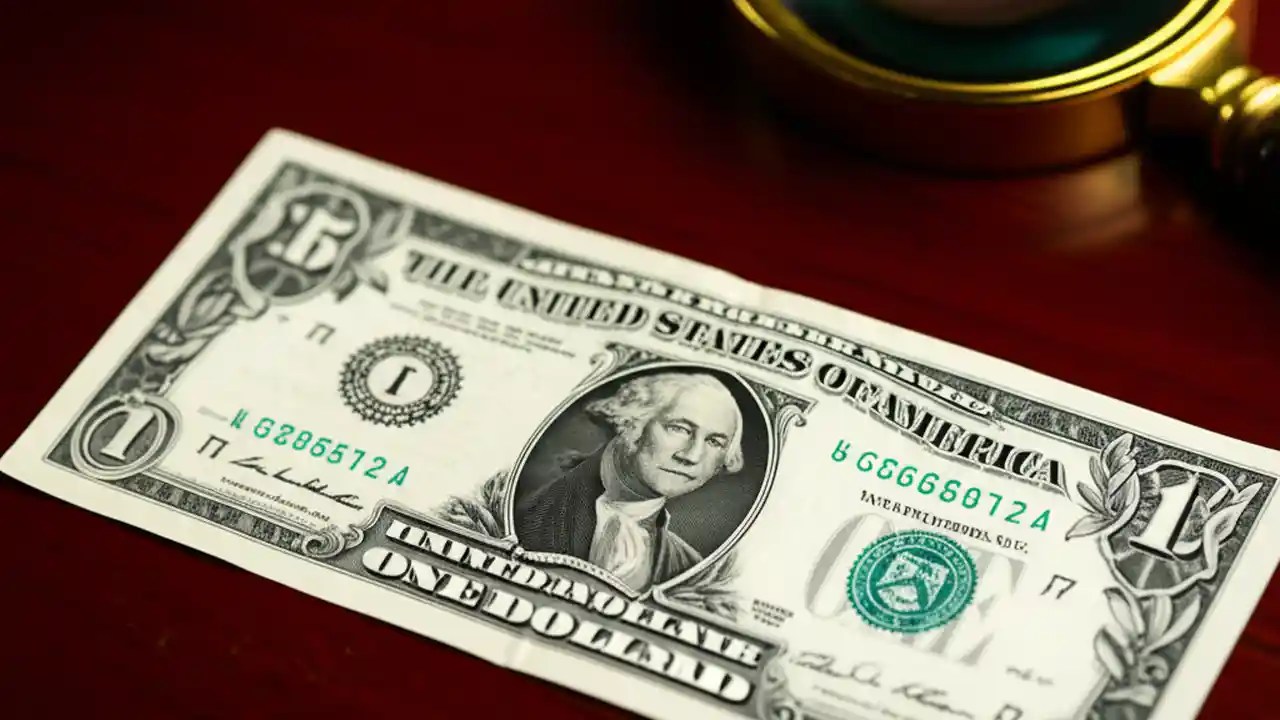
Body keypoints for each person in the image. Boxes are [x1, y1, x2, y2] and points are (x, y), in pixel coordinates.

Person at [516, 372, 745, 592]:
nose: (692, 456)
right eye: (679, 429)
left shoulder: (688, 568)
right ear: (631, 424)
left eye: (714, 442)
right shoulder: (525, 512)